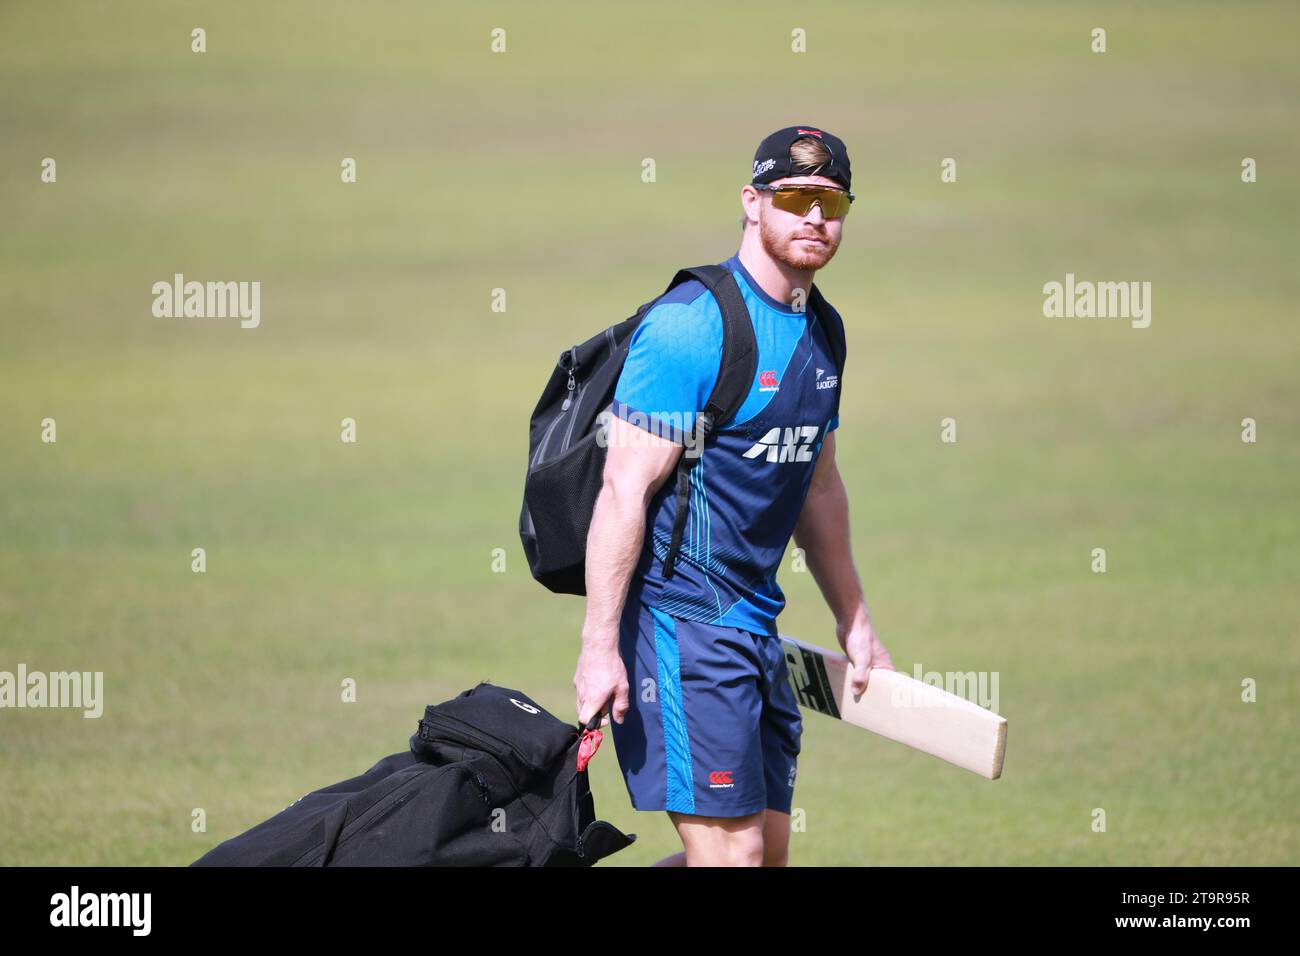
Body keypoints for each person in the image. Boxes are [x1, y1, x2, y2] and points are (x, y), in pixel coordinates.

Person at [573, 125, 894, 866]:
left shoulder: (824, 332)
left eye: (832, 202)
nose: (816, 217)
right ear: (752, 204)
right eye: (796, 199)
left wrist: (856, 619)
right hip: (681, 625)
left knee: (763, 858)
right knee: (737, 856)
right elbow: (623, 490)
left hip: (757, 627)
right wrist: (598, 649)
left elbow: (818, 483)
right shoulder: (692, 326)